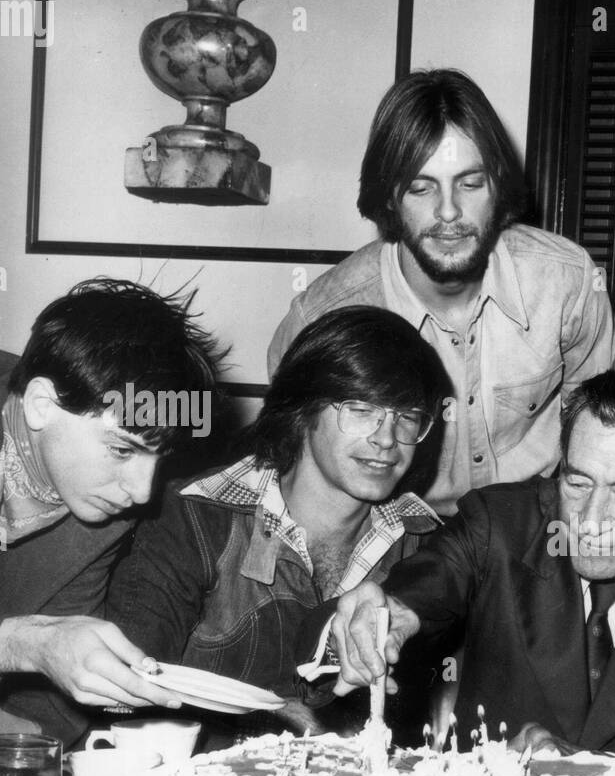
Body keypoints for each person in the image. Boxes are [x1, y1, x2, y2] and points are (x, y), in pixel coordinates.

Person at [306, 366, 615, 776]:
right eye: (577, 482)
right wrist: (392, 615)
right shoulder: (500, 525)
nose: (590, 522)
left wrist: (590, 767)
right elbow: (431, 583)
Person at [268, 68, 615, 516]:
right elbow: (292, 466)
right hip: (392, 538)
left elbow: (596, 435)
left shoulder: (567, 281)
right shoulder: (321, 316)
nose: (449, 212)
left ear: (498, 187)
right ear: (390, 197)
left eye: (470, 184)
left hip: (531, 527)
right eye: (420, 186)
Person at [107, 307, 449, 732]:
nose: (386, 438)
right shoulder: (193, 516)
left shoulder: (429, 544)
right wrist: (270, 718)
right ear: (303, 408)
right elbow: (123, 695)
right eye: (361, 409)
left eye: (407, 417)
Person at [0, 279, 223, 743]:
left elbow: (50, 689)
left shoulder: (103, 506)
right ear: (41, 405)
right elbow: (36, 645)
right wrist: (23, 643)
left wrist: (33, 761)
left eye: (159, 459)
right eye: (122, 449)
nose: (141, 494)